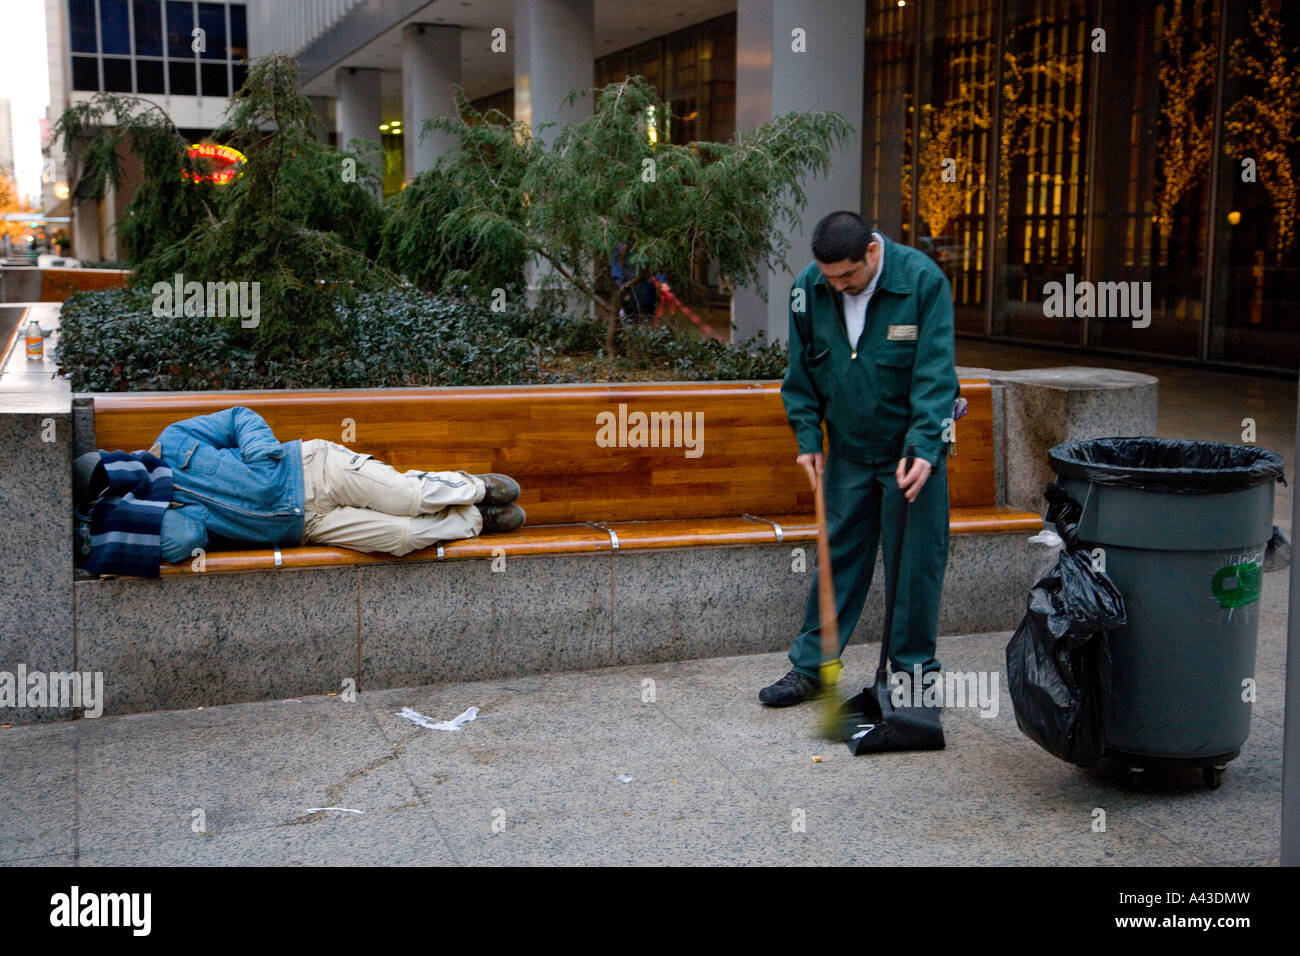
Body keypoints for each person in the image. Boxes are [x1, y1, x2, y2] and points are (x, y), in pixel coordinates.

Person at [759, 210, 959, 707]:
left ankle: (913, 678)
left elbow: (935, 376)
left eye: (847, 275)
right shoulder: (810, 288)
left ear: (872, 251)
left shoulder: (921, 282)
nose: (838, 285)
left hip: (909, 453)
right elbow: (801, 372)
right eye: (829, 277)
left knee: (915, 566)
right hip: (848, 451)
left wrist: (925, 448)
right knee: (836, 559)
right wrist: (808, 438)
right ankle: (812, 668)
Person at [74, 406, 525, 573]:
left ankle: (475, 488)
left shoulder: (173, 439)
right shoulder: (168, 518)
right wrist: (145, 515)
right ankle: (475, 521)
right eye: (118, 486)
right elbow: (185, 542)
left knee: (408, 497)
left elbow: (239, 417)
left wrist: (261, 455)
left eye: (115, 470)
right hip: (307, 524)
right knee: (402, 539)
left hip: (312, 468)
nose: (129, 476)